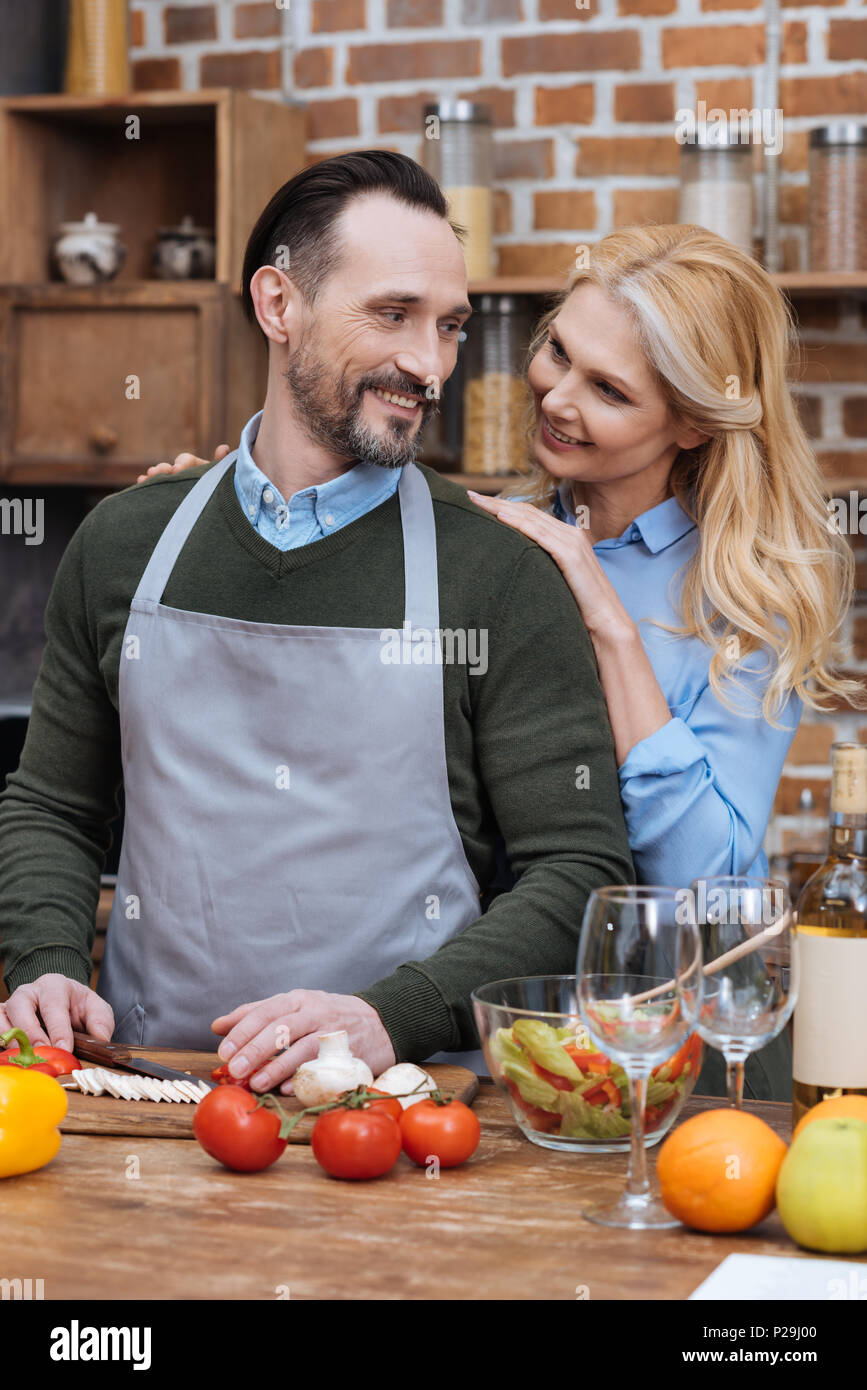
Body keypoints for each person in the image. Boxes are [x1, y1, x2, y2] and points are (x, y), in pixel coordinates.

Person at [152, 223, 865, 1100]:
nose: (556, 398)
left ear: (689, 419)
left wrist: (606, 621)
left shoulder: (748, 597)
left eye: (606, 389)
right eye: (557, 353)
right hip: (512, 1038)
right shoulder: (492, 539)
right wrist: (232, 513)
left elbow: (703, 893)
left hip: (685, 1052)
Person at [0, 151, 635, 1091]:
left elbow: (578, 872)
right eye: (392, 315)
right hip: (146, 1098)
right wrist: (44, 961)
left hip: (403, 1117)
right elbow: (53, 805)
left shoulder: (496, 574)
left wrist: (392, 1017)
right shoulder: (126, 541)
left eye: (449, 326)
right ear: (278, 306)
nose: (428, 365)